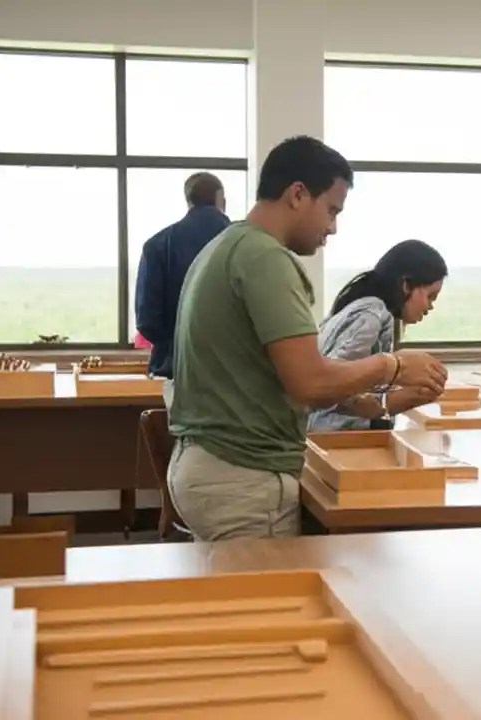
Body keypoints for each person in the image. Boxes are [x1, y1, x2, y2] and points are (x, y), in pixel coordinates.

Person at [168, 136, 447, 541]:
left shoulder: (226, 247)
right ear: (298, 194)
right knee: (268, 601)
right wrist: (395, 366)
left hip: (209, 465)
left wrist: (386, 394)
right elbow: (311, 383)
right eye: (331, 209)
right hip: (242, 474)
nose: (332, 227)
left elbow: (295, 375)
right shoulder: (267, 259)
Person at [308, 239, 448, 431]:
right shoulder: (371, 317)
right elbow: (329, 394)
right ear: (406, 285)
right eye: (430, 296)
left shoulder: (374, 313)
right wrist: (396, 391)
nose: (431, 306)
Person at [134, 172, 231, 404]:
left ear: (188, 201)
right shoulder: (249, 244)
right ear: (221, 200)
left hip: (176, 370)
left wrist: (176, 344)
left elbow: (147, 321)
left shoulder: (156, 246)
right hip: (235, 375)